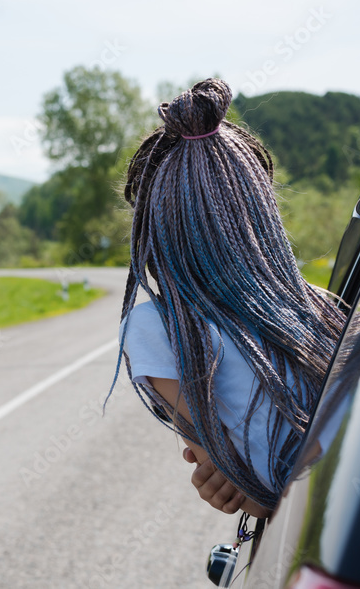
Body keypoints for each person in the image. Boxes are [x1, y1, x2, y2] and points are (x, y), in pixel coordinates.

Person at [107, 78, 346, 516]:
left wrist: (227, 477)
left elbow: (250, 495)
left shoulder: (156, 327)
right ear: (261, 210)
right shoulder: (329, 310)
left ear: (156, 228)